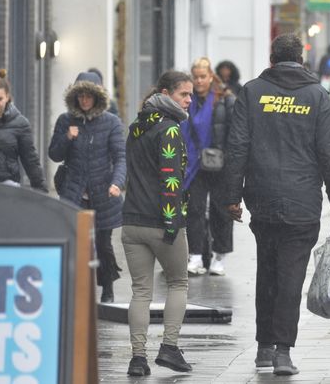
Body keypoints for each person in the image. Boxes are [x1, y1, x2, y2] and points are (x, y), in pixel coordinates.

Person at [224, 33, 330, 376]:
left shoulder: (251, 92)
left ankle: (264, 345)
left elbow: (237, 147)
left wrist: (232, 197)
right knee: (291, 275)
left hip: (262, 197)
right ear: (302, 57)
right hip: (302, 199)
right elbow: (329, 153)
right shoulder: (316, 96)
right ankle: (282, 351)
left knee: (268, 270)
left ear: (272, 59)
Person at [121, 70, 194, 377]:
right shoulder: (171, 130)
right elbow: (171, 180)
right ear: (166, 94)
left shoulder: (137, 127)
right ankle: (170, 348)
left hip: (131, 221)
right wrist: (171, 222)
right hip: (161, 220)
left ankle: (138, 358)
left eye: (191, 94)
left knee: (140, 292)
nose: (190, 100)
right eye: (184, 94)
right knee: (178, 282)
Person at [48, 72, 126, 303]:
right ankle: (76, 287)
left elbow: (120, 156)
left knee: (103, 243)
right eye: (80, 95)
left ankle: (107, 287)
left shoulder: (111, 122)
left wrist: (117, 183)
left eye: (88, 96)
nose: (84, 101)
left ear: (97, 97)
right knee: (76, 240)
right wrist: (67, 138)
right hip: (74, 190)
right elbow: (54, 154)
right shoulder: (65, 120)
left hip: (103, 191)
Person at [182, 57, 236, 276]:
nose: (198, 81)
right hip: (194, 163)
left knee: (220, 211)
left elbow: (235, 131)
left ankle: (219, 255)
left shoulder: (225, 99)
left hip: (220, 164)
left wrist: (232, 160)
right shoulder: (187, 100)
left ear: (211, 76)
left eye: (203, 77)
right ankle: (195, 255)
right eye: (195, 77)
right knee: (194, 209)